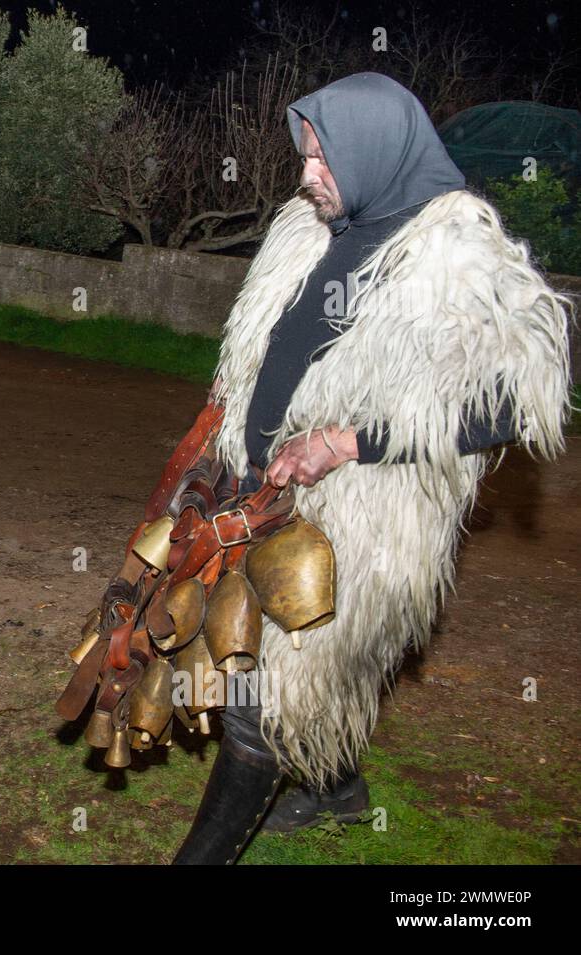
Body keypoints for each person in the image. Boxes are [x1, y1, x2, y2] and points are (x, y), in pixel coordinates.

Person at [102, 73, 572, 864]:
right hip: (268, 489)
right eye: (307, 154)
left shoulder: (454, 256)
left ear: (376, 152)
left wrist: (348, 442)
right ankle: (338, 789)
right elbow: (266, 351)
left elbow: (515, 406)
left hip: (364, 519)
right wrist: (229, 443)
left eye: (323, 158)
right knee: (266, 648)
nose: (307, 173)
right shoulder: (314, 227)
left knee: (272, 691)